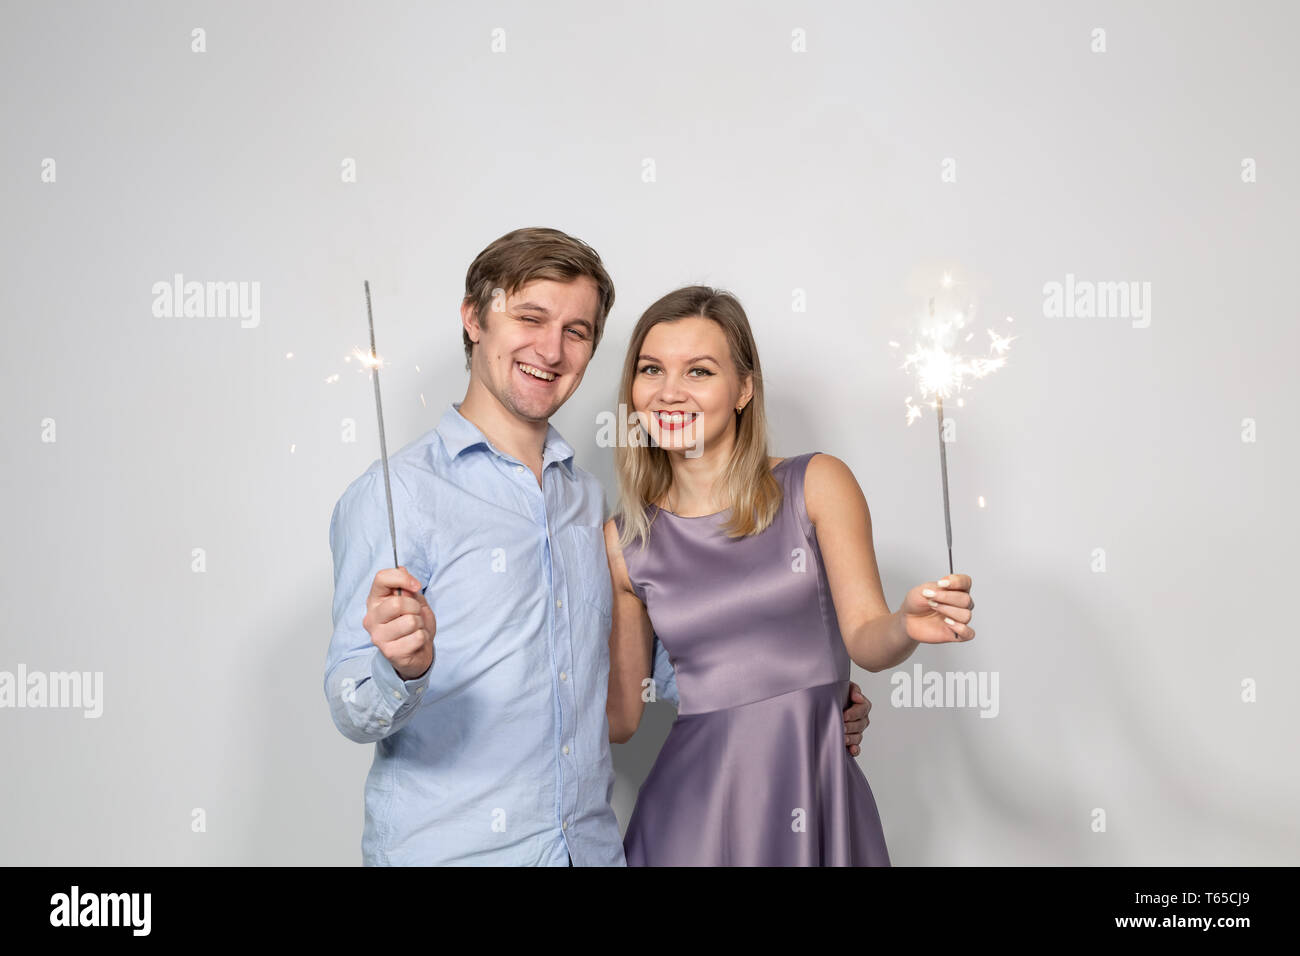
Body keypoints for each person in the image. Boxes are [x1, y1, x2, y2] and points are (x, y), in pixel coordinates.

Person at [324, 228, 872, 865]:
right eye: (530, 317)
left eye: (577, 332)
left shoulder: (590, 504)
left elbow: (638, 688)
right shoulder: (398, 495)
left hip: (588, 850)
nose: (550, 350)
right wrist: (402, 669)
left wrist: (807, 696)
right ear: (475, 319)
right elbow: (352, 704)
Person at [605, 286, 977, 866]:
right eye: (651, 369)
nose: (669, 391)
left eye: (698, 370)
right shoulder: (625, 541)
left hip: (816, 793)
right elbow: (621, 718)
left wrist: (906, 623)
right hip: (688, 822)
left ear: (744, 389)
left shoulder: (817, 484)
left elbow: (867, 640)